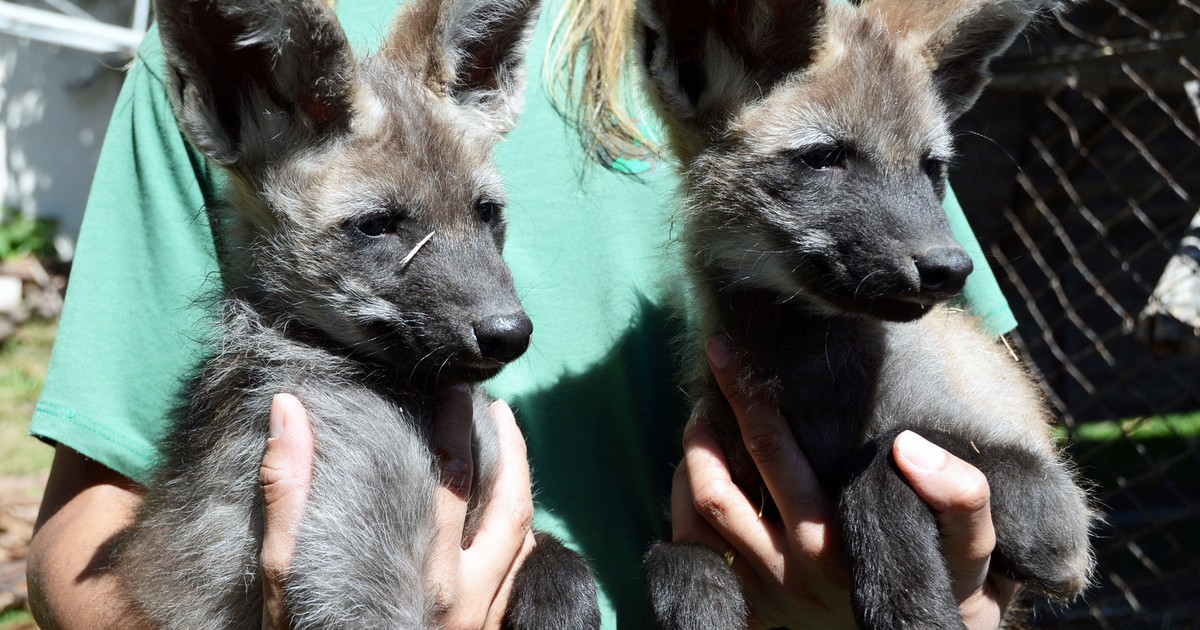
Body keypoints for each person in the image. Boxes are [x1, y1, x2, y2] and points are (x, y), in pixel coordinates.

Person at [25, 0, 1020, 627]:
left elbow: (1006, 484)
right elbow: (83, 552)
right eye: (382, 228)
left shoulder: (823, 61)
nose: (503, 315)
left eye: (491, 222)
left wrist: (957, 590)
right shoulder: (274, 95)